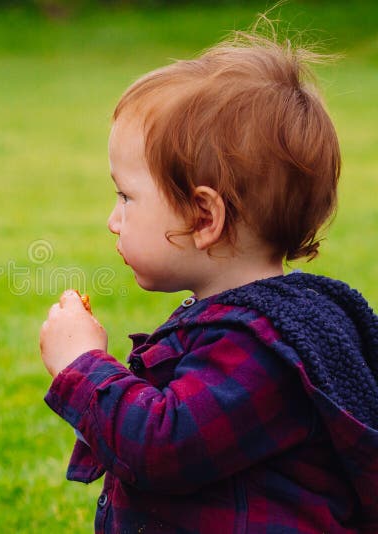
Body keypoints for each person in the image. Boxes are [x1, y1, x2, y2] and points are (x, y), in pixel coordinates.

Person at [39, 30, 378, 533]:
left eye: (127, 198)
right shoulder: (249, 325)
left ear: (204, 217)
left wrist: (82, 365)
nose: (114, 220)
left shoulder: (259, 348)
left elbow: (159, 448)